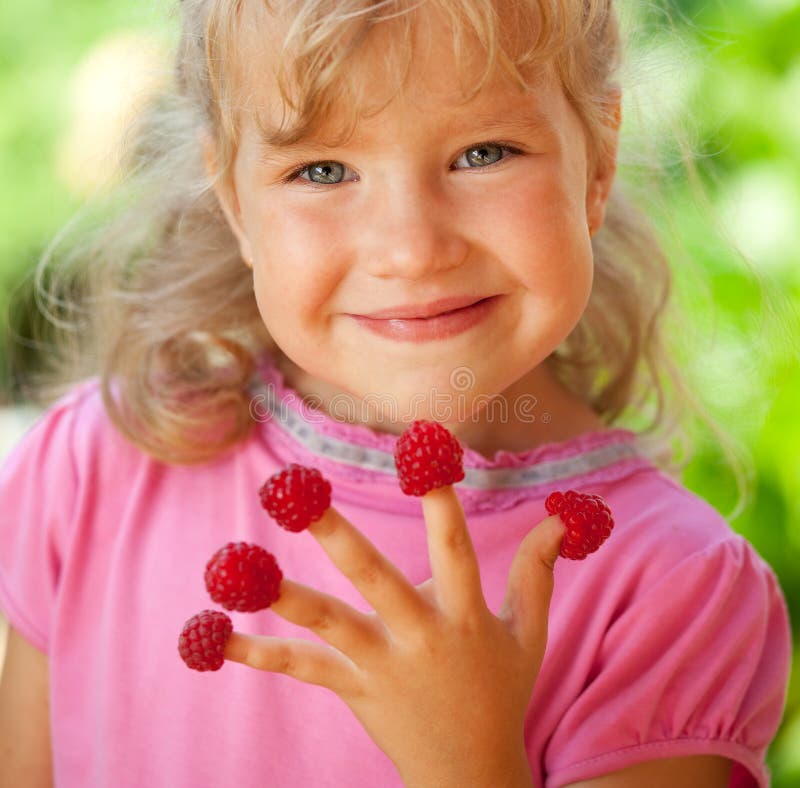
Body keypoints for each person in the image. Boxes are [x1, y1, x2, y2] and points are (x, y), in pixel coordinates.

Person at [0, 0, 791, 786]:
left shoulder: (674, 595)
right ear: (235, 202)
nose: (412, 249)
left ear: (600, 161)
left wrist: (473, 764)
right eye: (322, 170)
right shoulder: (93, 471)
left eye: (484, 154)